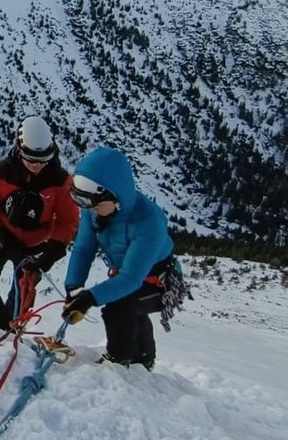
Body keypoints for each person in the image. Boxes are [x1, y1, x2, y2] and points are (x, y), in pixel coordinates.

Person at [62, 146, 191, 371]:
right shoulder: (94, 208)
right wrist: (74, 287)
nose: (91, 210)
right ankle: (143, 358)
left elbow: (131, 279)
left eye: (96, 205)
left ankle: (120, 361)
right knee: (128, 308)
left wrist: (89, 298)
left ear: (115, 195)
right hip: (131, 276)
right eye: (85, 205)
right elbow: (84, 248)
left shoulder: (149, 221)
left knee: (119, 308)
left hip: (160, 282)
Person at [0, 116, 80, 330]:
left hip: (35, 244)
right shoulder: (0, 173)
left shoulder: (60, 182)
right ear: (19, 150)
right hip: (0, 235)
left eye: (43, 160)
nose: (37, 165)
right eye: (31, 159)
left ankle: (11, 327)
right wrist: (1, 235)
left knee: (24, 292)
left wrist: (54, 250)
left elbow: (68, 220)